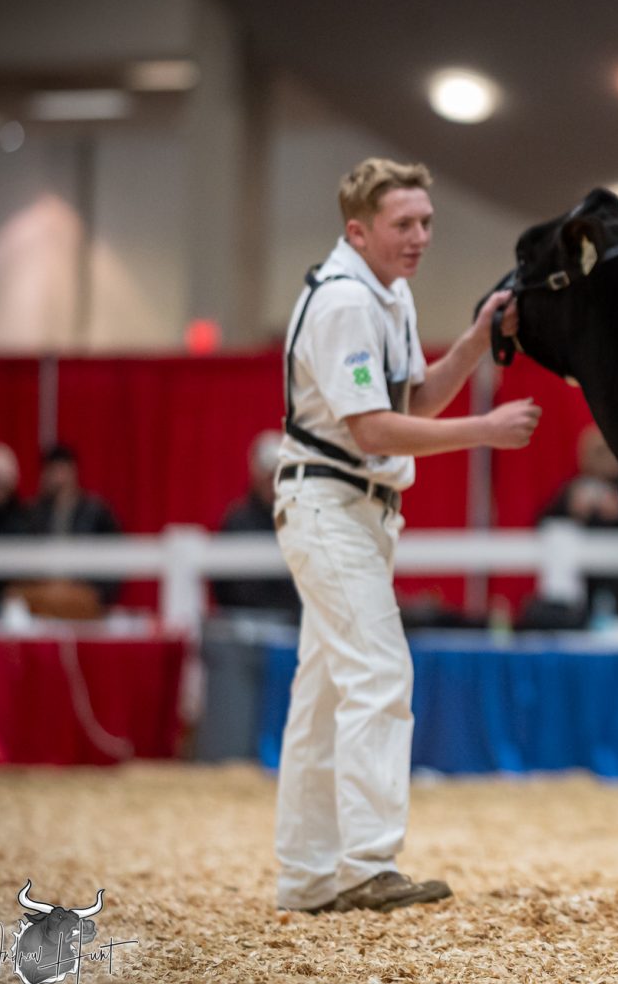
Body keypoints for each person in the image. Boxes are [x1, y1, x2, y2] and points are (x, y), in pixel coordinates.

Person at [272, 157, 540, 915]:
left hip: (352, 509)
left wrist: (478, 341)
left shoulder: (383, 293)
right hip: (330, 502)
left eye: (426, 222)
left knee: (325, 695)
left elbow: (413, 392)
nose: (420, 236)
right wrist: (482, 431)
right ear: (358, 231)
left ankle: (308, 876)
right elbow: (372, 427)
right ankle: (365, 864)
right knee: (378, 676)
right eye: (404, 224)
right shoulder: (345, 304)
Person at [534, 424, 618, 619]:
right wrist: (571, 508)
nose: (603, 459)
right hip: (582, 598)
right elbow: (545, 524)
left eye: (607, 450)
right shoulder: (575, 489)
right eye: (597, 451)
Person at [12, 443, 123, 617]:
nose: (58, 478)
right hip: (42, 598)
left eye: (62, 470)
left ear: (74, 472)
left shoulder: (96, 512)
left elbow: (116, 558)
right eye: (53, 471)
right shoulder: (31, 514)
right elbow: (18, 558)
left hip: (83, 598)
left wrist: (98, 594)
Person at [212, 429, 300, 614]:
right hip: (248, 626)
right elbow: (226, 586)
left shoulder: (300, 521)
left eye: (278, 475)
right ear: (257, 475)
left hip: (293, 625)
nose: (273, 483)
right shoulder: (238, 522)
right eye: (269, 475)